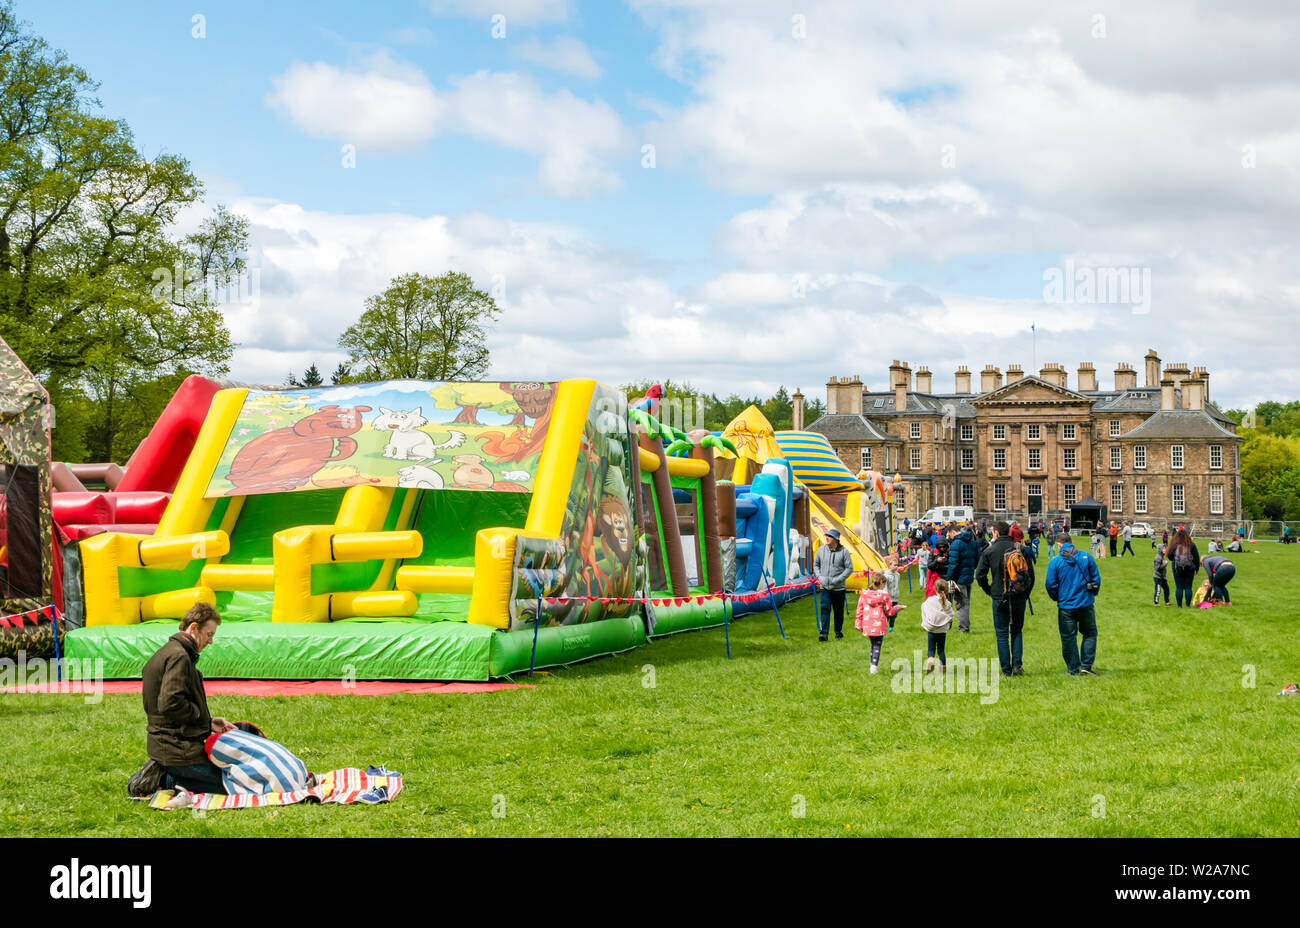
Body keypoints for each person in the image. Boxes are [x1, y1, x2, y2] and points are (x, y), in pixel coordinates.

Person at [129, 603, 237, 797]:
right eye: (209, 634)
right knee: (232, 784)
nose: (210, 641)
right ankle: (165, 780)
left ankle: (166, 773)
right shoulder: (179, 656)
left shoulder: (169, 651)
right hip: (178, 751)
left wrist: (209, 723)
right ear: (194, 628)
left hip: (168, 747)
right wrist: (198, 714)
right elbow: (170, 703)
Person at [976, 520, 1035, 677]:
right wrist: (1025, 592)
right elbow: (1031, 576)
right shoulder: (1020, 549)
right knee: (1016, 631)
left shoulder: (990, 551)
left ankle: (1006, 669)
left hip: (999, 596)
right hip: (1019, 596)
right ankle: (1017, 666)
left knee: (1002, 633)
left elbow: (979, 575)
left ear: (995, 533)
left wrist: (989, 590)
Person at [1045, 532, 1101, 675]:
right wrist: (1092, 594)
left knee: (1068, 637)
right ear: (1072, 541)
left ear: (1059, 545)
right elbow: (1096, 579)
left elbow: (1050, 584)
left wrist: (1057, 597)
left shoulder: (1055, 561)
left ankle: (1073, 668)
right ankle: (1086, 665)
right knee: (1089, 633)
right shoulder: (1086, 556)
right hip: (1085, 603)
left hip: (1066, 606)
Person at [855, 573, 903, 675]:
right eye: (884, 584)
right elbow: (889, 611)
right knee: (877, 645)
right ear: (881, 583)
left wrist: (858, 623)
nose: (884, 586)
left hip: (867, 624)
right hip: (879, 624)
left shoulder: (864, 594)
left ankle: (872, 665)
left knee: (873, 644)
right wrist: (898, 607)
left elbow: (859, 609)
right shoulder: (884, 596)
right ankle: (874, 667)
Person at [814, 529, 853, 641]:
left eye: (829, 537)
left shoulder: (844, 552)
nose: (827, 538)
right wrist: (820, 578)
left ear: (836, 539)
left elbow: (849, 568)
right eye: (826, 536)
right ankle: (824, 633)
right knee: (825, 609)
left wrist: (838, 580)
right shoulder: (821, 550)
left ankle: (838, 632)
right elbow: (816, 565)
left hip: (838, 588)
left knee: (838, 611)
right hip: (824, 587)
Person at [946, 521, 980, 633]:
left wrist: (948, 578)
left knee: (960, 604)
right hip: (968, 576)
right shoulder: (972, 542)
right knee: (966, 602)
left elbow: (953, 563)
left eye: (949, 534)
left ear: (953, 531)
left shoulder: (956, 544)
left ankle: (963, 627)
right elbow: (977, 560)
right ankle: (965, 625)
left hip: (958, 578)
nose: (949, 537)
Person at [921, 579, 959, 675]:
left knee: (931, 650)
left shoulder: (929, 601)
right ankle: (943, 670)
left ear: (935, 589)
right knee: (941, 650)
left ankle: (930, 667)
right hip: (942, 631)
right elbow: (951, 616)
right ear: (946, 590)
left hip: (932, 631)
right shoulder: (948, 603)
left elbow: (924, 609)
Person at [1168, 527, 1201, 608]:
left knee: (1179, 587)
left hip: (1177, 568)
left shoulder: (1174, 544)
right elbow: (1197, 557)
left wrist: (1175, 560)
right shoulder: (1191, 544)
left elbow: (1169, 556)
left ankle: (1179, 605)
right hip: (1190, 568)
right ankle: (1188, 605)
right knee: (1188, 587)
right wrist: (1197, 568)